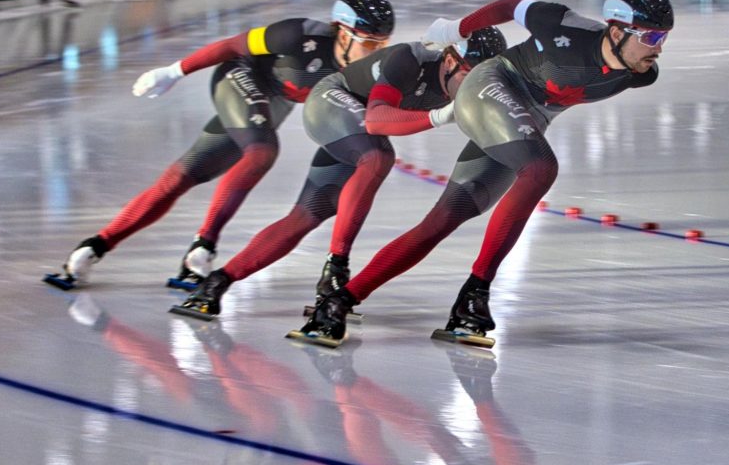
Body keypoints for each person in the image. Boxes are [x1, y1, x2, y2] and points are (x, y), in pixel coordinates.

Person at [296, 0, 672, 348]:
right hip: (490, 84)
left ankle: (340, 301)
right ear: (618, 30)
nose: (659, 48)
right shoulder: (563, 25)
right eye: (652, 38)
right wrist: (455, 30)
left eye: (664, 37)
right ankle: (476, 291)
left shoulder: (641, 73)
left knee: (445, 218)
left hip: (523, 118)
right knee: (540, 169)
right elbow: (511, 5)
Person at [43, 0, 395, 291]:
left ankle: (95, 245)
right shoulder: (296, 35)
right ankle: (205, 244)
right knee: (261, 152)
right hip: (240, 75)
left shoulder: (366, 72)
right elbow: (231, 46)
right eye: (369, 43)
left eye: (383, 44)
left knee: (188, 172)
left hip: (275, 98)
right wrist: (174, 71)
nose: (376, 51)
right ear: (342, 34)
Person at [171, 26, 508, 321]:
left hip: (353, 132)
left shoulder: (469, 83)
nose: (470, 91)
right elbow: (376, 120)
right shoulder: (408, 60)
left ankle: (218, 282)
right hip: (333, 101)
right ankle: (336, 267)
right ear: (449, 62)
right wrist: (438, 116)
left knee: (306, 215)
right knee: (377, 157)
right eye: (468, 76)